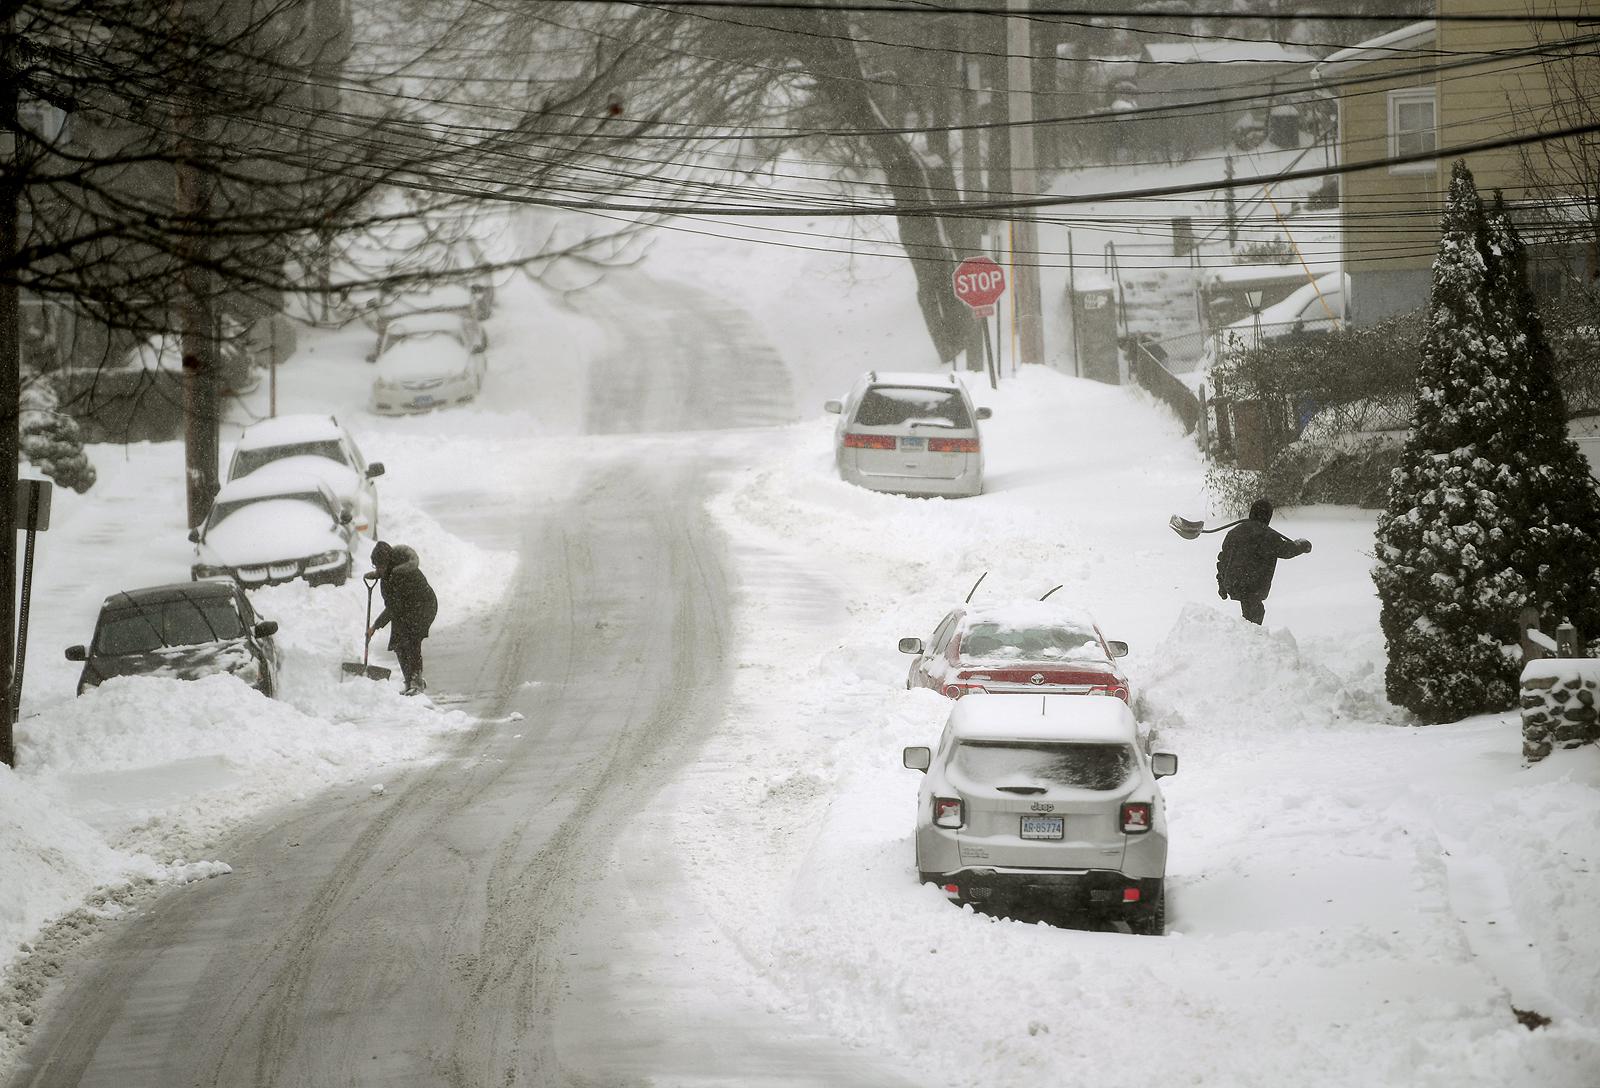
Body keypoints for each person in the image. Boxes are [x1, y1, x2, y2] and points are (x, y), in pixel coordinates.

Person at [1216, 498, 1312, 625]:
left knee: (1250, 611)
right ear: (1268, 516)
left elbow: (1223, 559)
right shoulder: (1268, 536)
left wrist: (1221, 583)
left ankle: (1246, 636)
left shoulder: (1234, 532)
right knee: (1255, 614)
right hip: (1253, 585)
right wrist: (1301, 545)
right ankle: (1252, 640)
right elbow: (1285, 551)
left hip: (1233, 582)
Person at [367, 540, 439, 696]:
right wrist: (377, 574)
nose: (379, 570)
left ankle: (417, 681)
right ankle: (409, 681)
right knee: (398, 643)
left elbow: (394, 607)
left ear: (388, 562)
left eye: (380, 566)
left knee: (411, 640)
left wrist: (375, 626)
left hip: (423, 607)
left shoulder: (403, 575)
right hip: (406, 608)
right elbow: (394, 606)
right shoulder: (388, 574)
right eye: (376, 566)